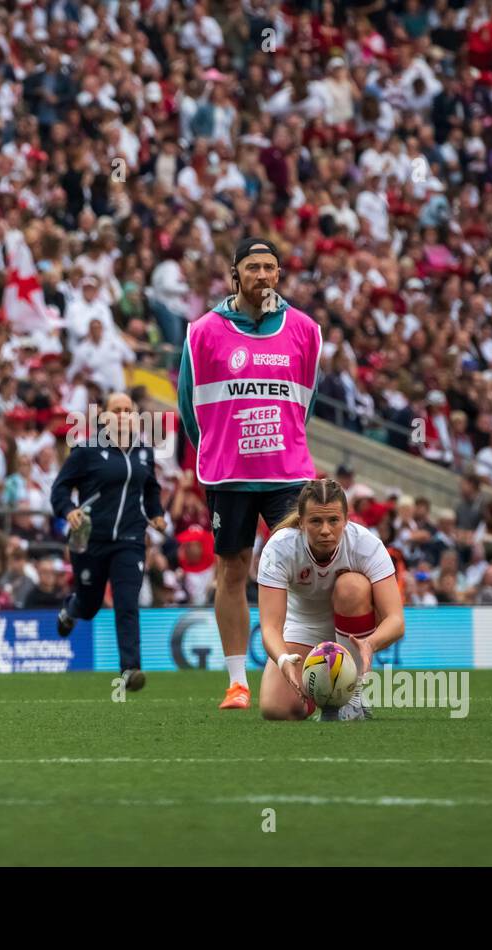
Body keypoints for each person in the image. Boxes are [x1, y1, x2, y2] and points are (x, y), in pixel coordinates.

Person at [178, 236, 322, 710]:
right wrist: (218, 451)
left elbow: (306, 403)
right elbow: (188, 404)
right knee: (233, 569)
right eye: (253, 267)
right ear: (234, 274)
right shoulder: (203, 332)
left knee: (306, 570)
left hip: (287, 472)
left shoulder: (304, 330)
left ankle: (310, 673)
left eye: (270, 267)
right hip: (229, 475)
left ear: (279, 274)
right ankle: (237, 682)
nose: (262, 275)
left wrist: (285, 441)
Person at [256, 477, 405, 721]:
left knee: (351, 586)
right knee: (276, 709)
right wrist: (283, 660)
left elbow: (396, 620)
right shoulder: (279, 548)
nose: (325, 530)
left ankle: (353, 696)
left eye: (333, 520)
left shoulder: (366, 544)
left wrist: (370, 644)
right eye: (316, 521)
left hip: (355, 628)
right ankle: (324, 700)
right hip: (303, 627)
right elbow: (271, 627)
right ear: (301, 522)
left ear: (346, 520)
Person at [51, 391, 165, 691]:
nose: (123, 415)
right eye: (117, 410)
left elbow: (151, 488)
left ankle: (130, 669)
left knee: (127, 602)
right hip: (90, 539)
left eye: (128, 410)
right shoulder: (87, 450)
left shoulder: (144, 451)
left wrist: (156, 514)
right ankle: (70, 609)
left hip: (130, 539)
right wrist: (68, 510)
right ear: (103, 416)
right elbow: (59, 489)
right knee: (89, 605)